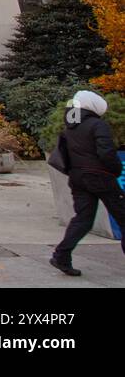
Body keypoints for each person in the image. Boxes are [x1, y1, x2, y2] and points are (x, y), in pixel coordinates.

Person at [50, 90, 125, 276]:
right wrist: (116, 170)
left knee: (83, 219)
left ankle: (61, 256)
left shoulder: (70, 128)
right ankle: (61, 256)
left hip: (78, 178)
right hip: (100, 176)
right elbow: (107, 153)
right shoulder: (98, 125)